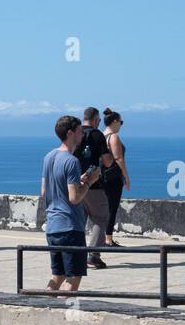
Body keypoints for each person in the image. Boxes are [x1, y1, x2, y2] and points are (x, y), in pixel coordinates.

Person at [43, 115, 101, 292]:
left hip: (53, 226)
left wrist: (79, 181)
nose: (82, 134)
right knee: (74, 277)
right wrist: (90, 181)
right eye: (79, 131)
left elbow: (44, 191)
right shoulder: (71, 161)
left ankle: (41, 304)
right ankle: (59, 312)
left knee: (58, 275)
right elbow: (74, 198)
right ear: (70, 133)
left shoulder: (49, 157)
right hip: (70, 227)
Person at [73, 106, 114, 268]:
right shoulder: (97, 135)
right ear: (96, 120)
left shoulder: (75, 133)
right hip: (94, 184)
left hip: (75, 182)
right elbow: (107, 161)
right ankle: (93, 255)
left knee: (79, 220)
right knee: (100, 217)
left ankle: (75, 252)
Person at [101, 108, 130, 247]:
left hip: (102, 177)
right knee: (112, 207)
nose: (121, 125)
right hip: (113, 178)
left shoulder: (100, 135)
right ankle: (108, 238)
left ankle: (104, 237)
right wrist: (126, 177)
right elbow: (118, 158)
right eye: (121, 122)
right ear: (115, 121)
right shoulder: (113, 137)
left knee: (104, 208)